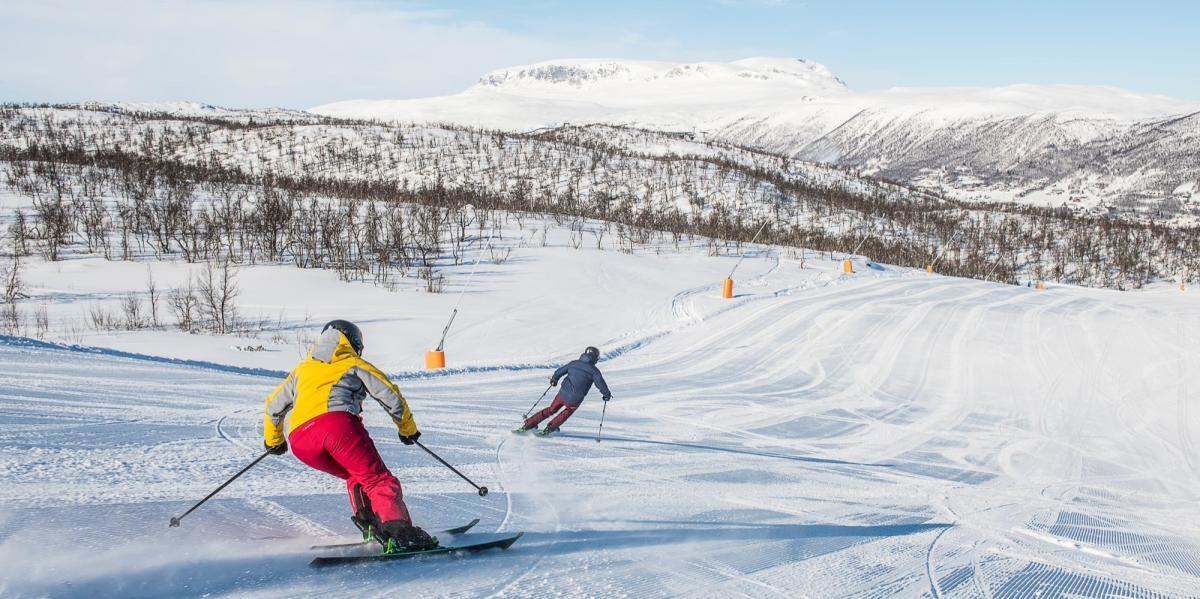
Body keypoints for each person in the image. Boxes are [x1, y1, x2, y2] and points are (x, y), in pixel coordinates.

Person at [261, 319, 437, 551]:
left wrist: (274, 440)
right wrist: (407, 429)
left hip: (301, 442)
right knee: (378, 479)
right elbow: (390, 394)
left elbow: (274, 405)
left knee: (357, 475)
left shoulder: (302, 370)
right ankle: (400, 533)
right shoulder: (353, 363)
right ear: (353, 342)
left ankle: (372, 525)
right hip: (336, 428)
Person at [519, 346, 612, 436]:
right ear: (595, 358)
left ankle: (529, 424)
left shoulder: (573, 363)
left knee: (551, 409)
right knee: (566, 412)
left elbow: (560, 371)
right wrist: (606, 395)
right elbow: (601, 384)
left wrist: (554, 379)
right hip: (575, 398)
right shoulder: (594, 371)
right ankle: (550, 428)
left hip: (562, 393)